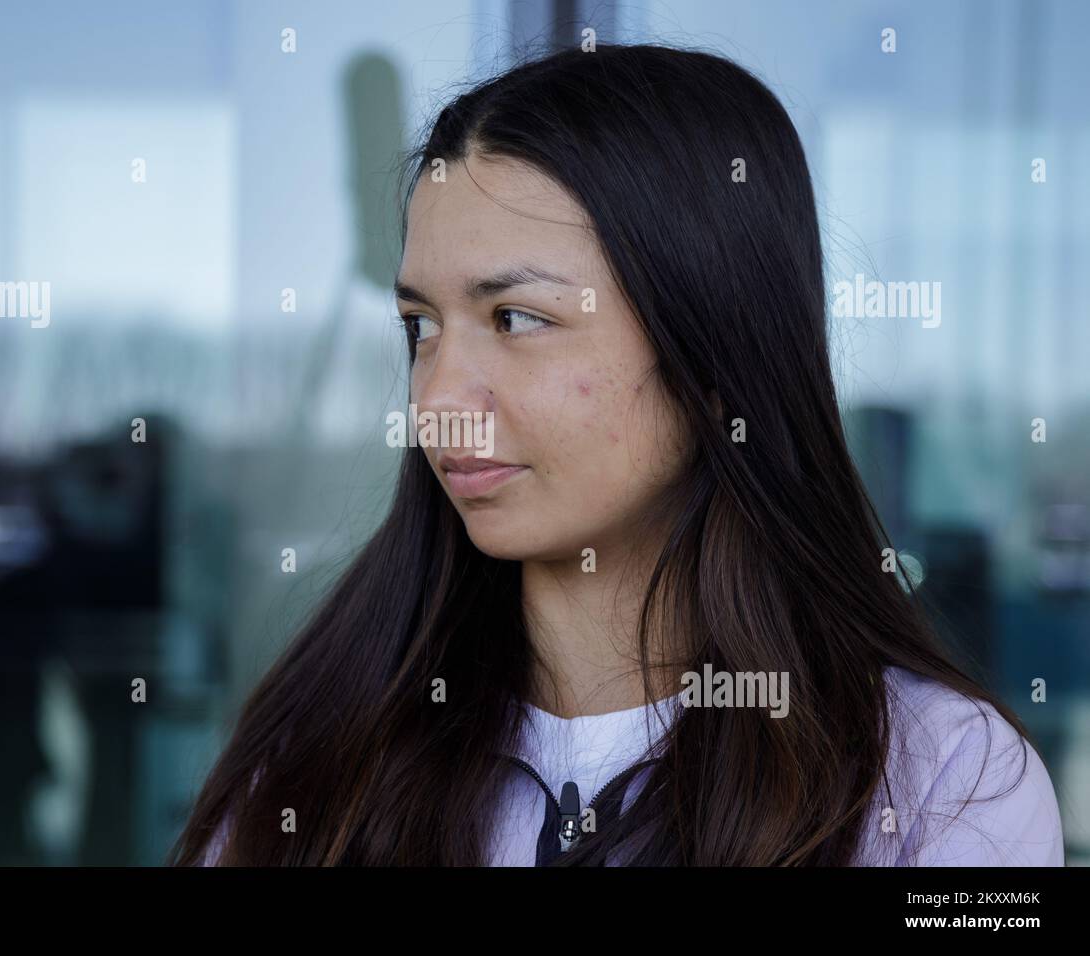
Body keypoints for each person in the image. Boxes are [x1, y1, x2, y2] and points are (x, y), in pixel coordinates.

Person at [171, 42, 1064, 866]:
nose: (437, 399)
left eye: (517, 318)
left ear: (713, 353)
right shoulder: (315, 764)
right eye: (420, 327)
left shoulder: (947, 783)